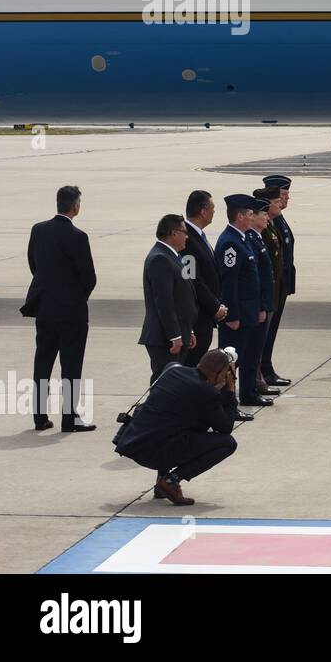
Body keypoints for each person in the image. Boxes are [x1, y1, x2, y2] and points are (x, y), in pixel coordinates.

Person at [113, 349, 239, 507]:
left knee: (176, 424)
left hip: (134, 442)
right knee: (227, 443)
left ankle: (161, 481)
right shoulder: (207, 393)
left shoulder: (172, 369)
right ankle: (170, 482)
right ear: (220, 373)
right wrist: (230, 390)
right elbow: (225, 427)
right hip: (155, 452)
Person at [22, 185, 97, 432]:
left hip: (45, 307)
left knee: (42, 362)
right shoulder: (78, 236)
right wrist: (75, 298)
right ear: (75, 206)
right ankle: (69, 417)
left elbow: (34, 264)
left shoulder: (39, 230)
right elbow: (89, 277)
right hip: (71, 312)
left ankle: (39, 416)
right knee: (71, 366)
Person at [215, 194, 270, 408]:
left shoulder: (244, 238)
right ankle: (226, 404)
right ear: (239, 216)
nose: (251, 217)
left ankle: (248, 394)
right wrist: (233, 316)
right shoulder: (230, 242)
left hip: (249, 312)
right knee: (230, 364)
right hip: (237, 317)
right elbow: (229, 284)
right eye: (248, 214)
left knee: (249, 357)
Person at [138, 214, 199, 384]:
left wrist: (189, 330)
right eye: (184, 232)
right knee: (164, 384)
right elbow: (164, 302)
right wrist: (175, 335)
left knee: (173, 384)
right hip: (165, 338)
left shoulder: (172, 255)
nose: (187, 236)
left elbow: (181, 297)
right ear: (173, 233)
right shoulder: (160, 258)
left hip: (177, 333)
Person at [183, 190, 227, 368]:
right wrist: (214, 306)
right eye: (213, 208)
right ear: (203, 211)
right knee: (192, 363)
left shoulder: (198, 235)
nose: (214, 212)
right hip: (199, 316)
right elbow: (193, 280)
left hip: (206, 315)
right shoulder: (188, 239)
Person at [253, 185, 289, 390]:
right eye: (277, 201)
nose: (282, 203)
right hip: (268, 293)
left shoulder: (273, 225)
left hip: (276, 290)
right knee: (259, 340)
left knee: (267, 335)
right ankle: (259, 378)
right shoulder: (261, 231)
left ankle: (263, 373)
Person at [260, 174, 295, 387]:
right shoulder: (265, 222)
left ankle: (266, 368)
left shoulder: (278, 218)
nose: (286, 199)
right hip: (272, 285)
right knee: (264, 332)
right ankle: (263, 371)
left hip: (280, 284)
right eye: (282, 195)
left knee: (271, 331)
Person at [246, 195, 279, 398]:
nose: (267, 217)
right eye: (263, 213)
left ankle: (256, 384)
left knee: (256, 350)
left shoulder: (257, 238)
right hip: (255, 306)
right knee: (250, 352)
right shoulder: (249, 239)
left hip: (265, 302)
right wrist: (260, 306)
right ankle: (252, 387)